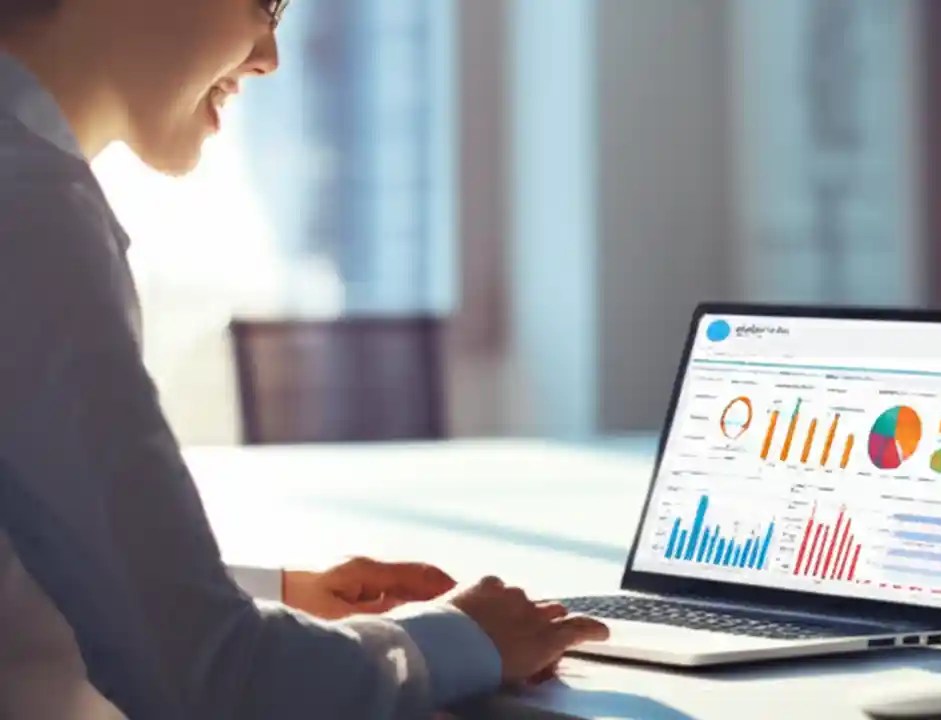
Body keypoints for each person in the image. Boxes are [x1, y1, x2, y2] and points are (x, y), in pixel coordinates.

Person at [0, 0, 608, 718]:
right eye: (266, 4)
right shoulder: (31, 215)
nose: (270, 55)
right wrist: (464, 639)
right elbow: (212, 680)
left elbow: (31, 573)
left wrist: (272, 595)